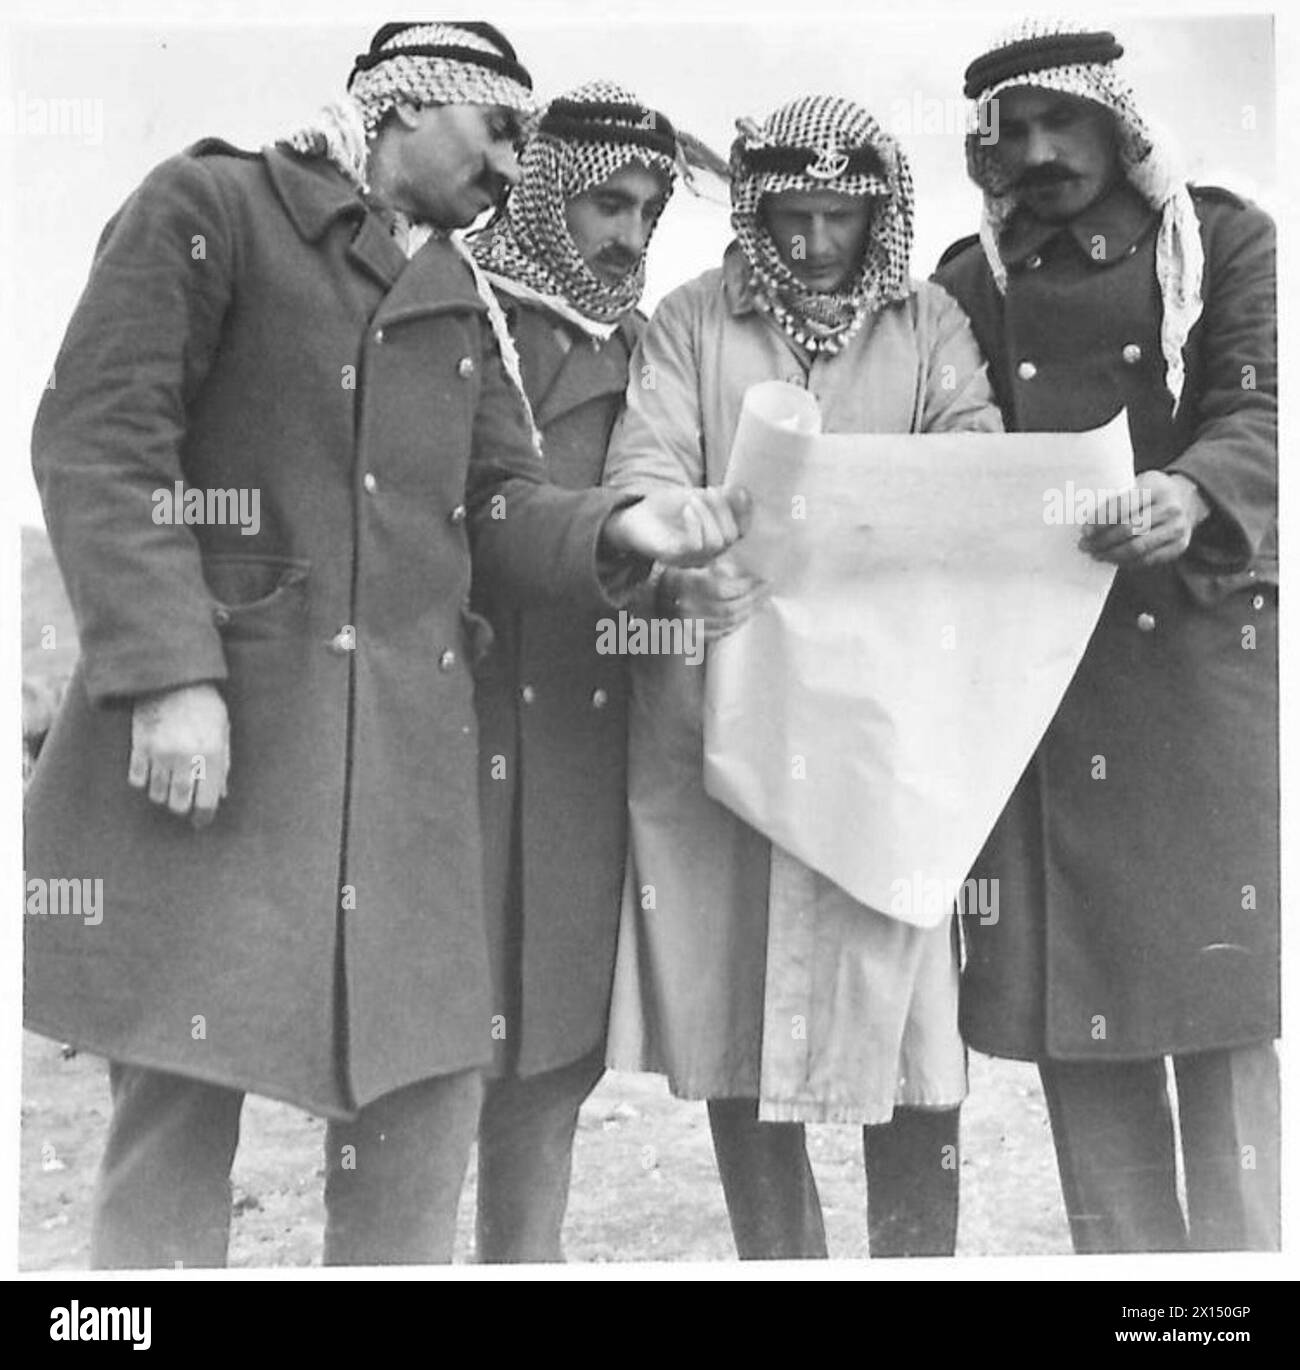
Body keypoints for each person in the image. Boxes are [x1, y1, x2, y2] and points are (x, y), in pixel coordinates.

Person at [24, 21, 744, 1269]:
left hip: (406, 779)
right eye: (502, 132)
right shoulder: (213, 207)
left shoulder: (456, 294)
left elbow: (502, 503)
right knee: (179, 1093)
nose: (519, 167)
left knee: (424, 1094)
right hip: (230, 751)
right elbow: (101, 439)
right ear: (410, 104)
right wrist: (170, 675)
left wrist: (625, 520)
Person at [603, 95, 1003, 1259]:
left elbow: (973, 456)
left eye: (839, 216)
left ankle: (915, 1258)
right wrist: (676, 554)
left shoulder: (928, 323)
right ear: (754, 210)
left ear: (877, 211)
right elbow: (644, 463)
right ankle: (778, 1263)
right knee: (741, 1003)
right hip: (730, 709)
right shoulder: (686, 321)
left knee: (909, 1018)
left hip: (886, 725)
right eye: (791, 216)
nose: (816, 242)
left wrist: (869, 516)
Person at [934, 18, 1278, 1252]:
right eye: (1009, 133)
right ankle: (1137, 1301)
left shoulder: (1222, 239)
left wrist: (1190, 492)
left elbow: (1260, 406)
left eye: (1058, 121)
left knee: (1222, 1006)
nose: (1036, 152)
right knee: (1081, 1023)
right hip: (1041, 704)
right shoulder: (966, 285)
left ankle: (1247, 1292)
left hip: (1194, 679)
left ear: (1116, 122)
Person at [465, 80, 679, 1263]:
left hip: (587, 744)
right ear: (546, 195)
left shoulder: (645, 346)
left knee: (550, 1062)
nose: (630, 235)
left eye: (650, 211)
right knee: (432, 1067)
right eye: (607, 202)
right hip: (460, 724)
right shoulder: (454, 311)